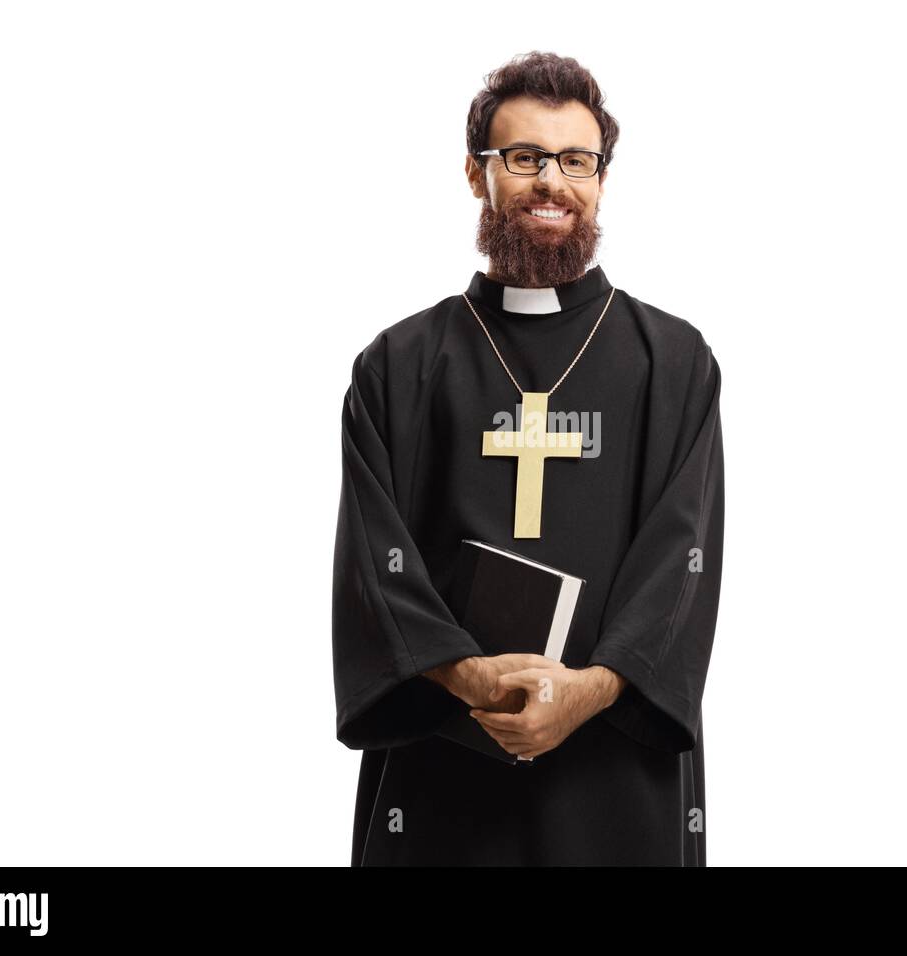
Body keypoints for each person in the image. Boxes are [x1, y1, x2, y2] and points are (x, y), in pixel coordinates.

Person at [332, 50, 725, 865]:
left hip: (618, 771)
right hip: (445, 765)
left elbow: (680, 570)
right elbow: (377, 571)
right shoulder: (398, 366)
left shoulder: (674, 363)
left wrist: (584, 693)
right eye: (524, 158)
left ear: (602, 179)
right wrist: (472, 681)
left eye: (576, 161)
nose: (552, 183)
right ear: (478, 176)